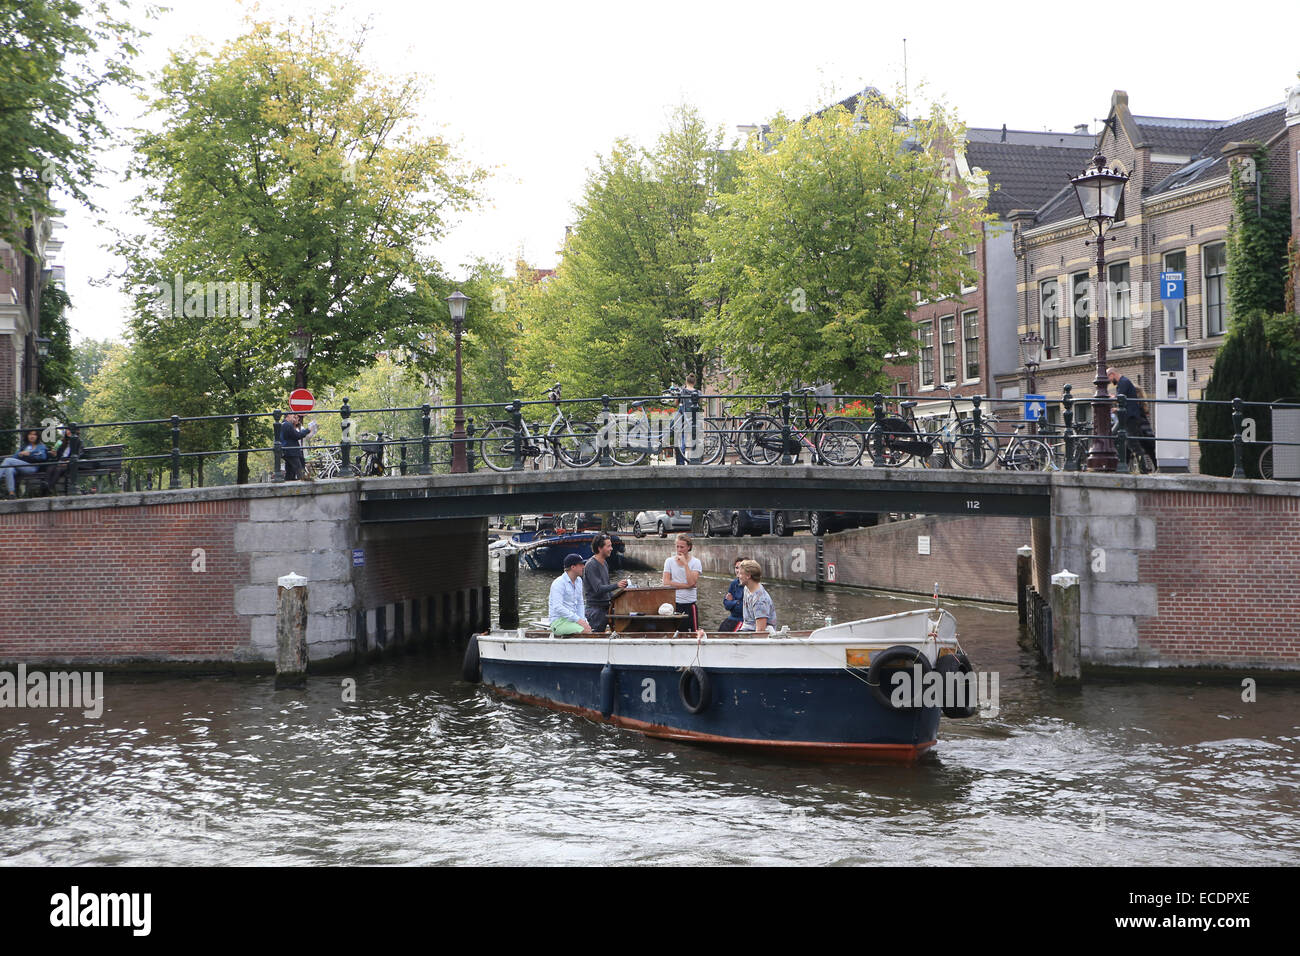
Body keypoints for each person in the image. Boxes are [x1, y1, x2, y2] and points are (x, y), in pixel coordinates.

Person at [1107, 367, 1157, 471]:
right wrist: (1117, 408)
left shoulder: (1123, 382)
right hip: (1128, 416)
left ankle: (1142, 468)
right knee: (1123, 441)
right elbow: (1125, 401)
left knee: (1132, 443)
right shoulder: (1124, 382)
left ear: (1112, 374)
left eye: (1109, 379)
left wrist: (1111, 398)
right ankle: (1122, 466)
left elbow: (1121, 398)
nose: (1110, 382)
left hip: (1130, 417)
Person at [582, 533, 628, 633]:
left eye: (611, 545)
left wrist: (620, 595)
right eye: (608, 546)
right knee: (596, 638)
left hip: (607, 608)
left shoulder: (605, 563)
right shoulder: (591, 565)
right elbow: (598, 589)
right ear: (599, 548)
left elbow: (607, 590)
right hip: (595, 611)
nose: (611, 548)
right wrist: (617, 585)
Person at [661, 533, 702, 630]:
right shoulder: (669, 561)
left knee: (692, 633)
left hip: (689, 603)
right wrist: (687, 586)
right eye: (677, 547)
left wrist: (685, 564)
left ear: (689, 547)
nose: (679, 550)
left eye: (682, 547)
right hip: (674, 603)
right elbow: (666, 582)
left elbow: (692, 581)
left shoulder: (696, 562)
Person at [549, 553, 591, 636]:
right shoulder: (559, 583)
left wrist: (583, 620)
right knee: (585, 630)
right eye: (581, 565)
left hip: (573, 620)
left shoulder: (579, 581)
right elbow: (557, 607)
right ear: (573, 567)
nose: (583, 567)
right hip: (558, 622)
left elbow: (580, 603)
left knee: (588, 628)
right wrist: (578, 620)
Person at [1, 429, 50, 498]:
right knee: (9, 469)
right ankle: (11, 493)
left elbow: (43, 457)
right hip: (21, 467)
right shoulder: (25, 446)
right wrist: (20, 454)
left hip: (32, 467)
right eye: (30, 434)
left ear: (37, 436)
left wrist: (30, 454)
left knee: (7, 460)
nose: (32, 436)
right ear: (27, 436)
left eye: (34, 434)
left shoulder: (41, 446)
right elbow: (14, 457)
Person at [736, 559, 776, 632]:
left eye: (741, 573)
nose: (738, 576)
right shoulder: (747, 589)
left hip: (755, 635)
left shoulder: (760, 600)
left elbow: (760, 632)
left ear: (748, 576)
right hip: (746, 630)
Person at [280, 413, 317, 481]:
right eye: (292, 416)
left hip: (286, 450)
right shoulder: (287, 425)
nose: (294, 417)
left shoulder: (282, 424)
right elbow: (297, 435)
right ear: (288, 416)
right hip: (291, 451)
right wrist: (308, 430)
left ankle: (290, 483)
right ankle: (303, 483)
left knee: (290, 470)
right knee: (299, 468)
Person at [47, 425, 83, 490]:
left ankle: (49, 488)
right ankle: (47, 486)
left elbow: (79, 454)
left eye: (71, 430)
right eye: (68, 430)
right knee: (50, 468)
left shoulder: (78, 442)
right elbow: (58, 455)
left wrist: (68, 461)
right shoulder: (62, 441)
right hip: (60, 461)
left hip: (70, 462)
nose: (69, 432)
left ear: (76, 431)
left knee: (58, 469)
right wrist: (54, 453)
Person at [718, 557, 745, 631]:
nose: (738, 570)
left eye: (741, 568)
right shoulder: (734, 583)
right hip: (732, 617)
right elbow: (726, 604)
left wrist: (732, 602)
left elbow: (743, 608)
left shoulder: (749, 585)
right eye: (736, 568)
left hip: (743, 620)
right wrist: (737, 602)